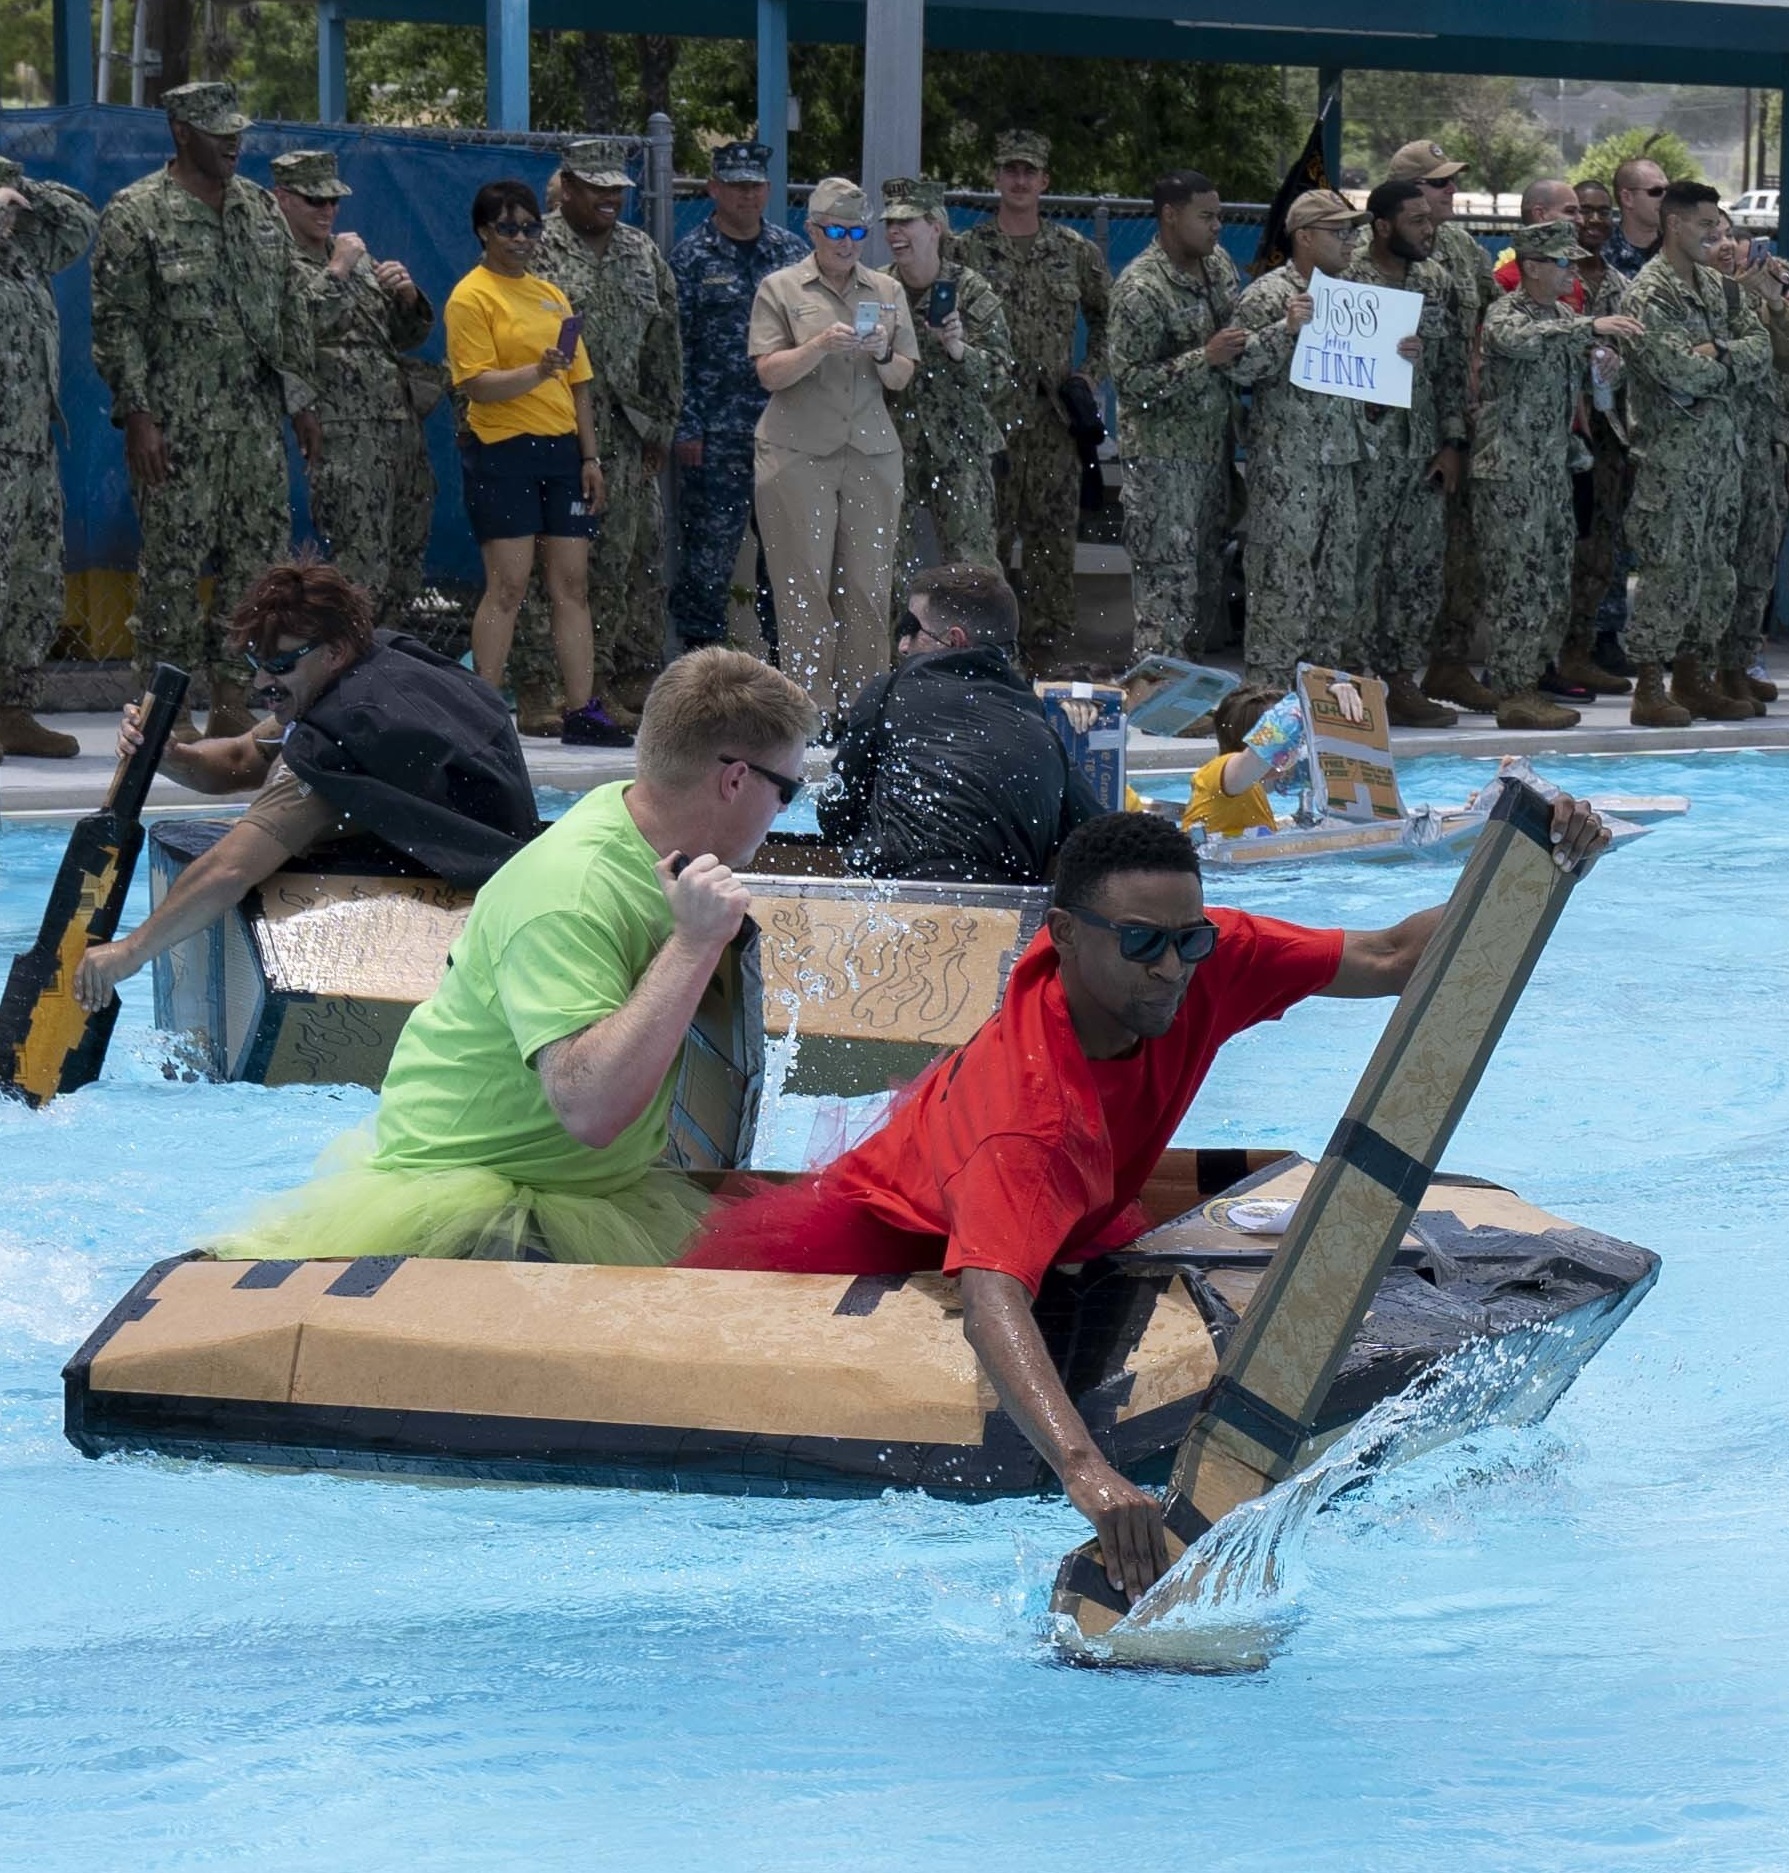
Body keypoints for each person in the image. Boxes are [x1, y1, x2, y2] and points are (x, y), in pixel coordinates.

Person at [682, 799, 1612, 1596]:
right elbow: (990, 1297)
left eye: (1186, 938)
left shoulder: (1203, 962)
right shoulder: (1028, 1114)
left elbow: (1392, 951)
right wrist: (1089, 1476)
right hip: (896, 1236)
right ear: (1065, 932)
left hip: (1077, 1210)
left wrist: (1535, 867)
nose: (1171, 968)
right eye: (1140, 944)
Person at [209, 647, 818, 1267]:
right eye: (787, 791)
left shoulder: (643, 835)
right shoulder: (570, 893)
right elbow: (589, 1108)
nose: (781, 813)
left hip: (578, 1186)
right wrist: (692, 945)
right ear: (736, 780)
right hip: (472, 1206)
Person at [71, 560, 540, 1013]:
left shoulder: (336, 744)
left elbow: (228, 872)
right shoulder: (382, 655)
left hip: (487, 910)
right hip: (523, 864)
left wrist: (127, 953)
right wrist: (166, 754)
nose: (260, 682)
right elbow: (239, 759)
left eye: (278, 665)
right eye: (256, 662)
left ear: (333, 652)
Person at [90, 80, 317, 741]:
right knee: (172, 566)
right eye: (216, 129)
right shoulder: (138, 213)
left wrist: (300, 400)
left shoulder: (258, 210)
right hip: (176, 426)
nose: (231, 141)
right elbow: (118, 322)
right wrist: (138, 414)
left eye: (236, 130)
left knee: (258, 567)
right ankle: (167, 708)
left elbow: (287, 309)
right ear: (180, 130)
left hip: (253, 425)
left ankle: (232, 696)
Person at [514, 139, 683, 732]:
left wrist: (662, 422)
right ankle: (541, 686)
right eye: (596, 187)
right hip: (553, 426)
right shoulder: (533, 249)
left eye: (618, 188)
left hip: (628, 429)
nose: (610, 198)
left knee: (629, 560)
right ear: (568, 185)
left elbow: (664, 343)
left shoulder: (641, 251)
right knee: (552, 562)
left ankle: (606, 683)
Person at [443, 178, 612, 745]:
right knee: (508, 586)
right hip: (502, 451)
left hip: (560, 450)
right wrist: (536, 373)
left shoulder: (551, 295)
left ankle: (582, 709)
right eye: (508, 228)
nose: (521, 238)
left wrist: (590, 457)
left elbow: (580, 383)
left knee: (572, 585)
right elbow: (477, 385)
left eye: (531, 227)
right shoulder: (472, 295)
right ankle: (485, 711)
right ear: (484, 232)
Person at [749, 177, 919, 724]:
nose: (847, 243)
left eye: (856, 232)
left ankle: (862, 705)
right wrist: (819, 345)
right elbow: (769, 373)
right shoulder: (781, 288)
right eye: (835, 231)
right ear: (812, 230)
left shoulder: (886, 291)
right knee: (804, 585)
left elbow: (901, 377)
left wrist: (883, 350)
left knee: (869, 586)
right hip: (797, 452)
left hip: (870, 451)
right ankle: (809, 707)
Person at [818, 563, 1101, 883]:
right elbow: (1097, 837)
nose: (903, 645)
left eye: (911, 628)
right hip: (1006, 910)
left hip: (898, 902)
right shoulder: (1038, 723)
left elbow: (835, 816)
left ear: (954, 639)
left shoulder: (888, 692)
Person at [1471, 221, 1645, 730]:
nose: (1571, 272)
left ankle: (1529, 679)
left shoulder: (1566, 316)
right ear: (1531, 268)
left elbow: (1584, 380)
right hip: (1510, 473)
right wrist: (1589, 329)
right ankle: (1510, 689)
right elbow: (1520, 342)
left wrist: (1606, 366)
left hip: (1551, 471)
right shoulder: (1507, 314)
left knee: (1548, 584)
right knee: (1516, 585)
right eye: (1561, 263)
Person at [958, 131, 1112, 675]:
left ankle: (1049, 652)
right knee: (986, 538)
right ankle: (988, 650)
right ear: (996, 178)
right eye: (1010, 170)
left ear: (1044, 181)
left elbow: (1107, 319)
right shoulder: (968, 250)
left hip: (1052, 420)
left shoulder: (1073, 251)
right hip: (991, 418)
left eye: (1029, 171)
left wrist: (1091, 375)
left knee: (1052, 542)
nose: (1019, 180)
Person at [1620, 180, 1773, 726]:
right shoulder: (1647, 294)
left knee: (1715, 574)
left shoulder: (1719, 288)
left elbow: (1760, 348)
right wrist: (1721, 365)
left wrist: (1721, 353)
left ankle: (1694, 677)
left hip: (1721, 460)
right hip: (1673, 461)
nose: (1715, 233)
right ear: (1674, 224)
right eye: (1705, 224)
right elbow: (1676, 370)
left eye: (1718, 224)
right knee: (1669, 572)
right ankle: (1648, 688)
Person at [271, 150, 437, 634]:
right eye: (314, 200)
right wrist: (339, 271)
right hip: (343, 434)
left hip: (397, 426)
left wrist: (406, 295)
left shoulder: (354, 257)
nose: (327, 211)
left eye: (333, 201)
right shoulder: (277, 259)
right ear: (282, 198)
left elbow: (400, 337)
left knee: (405, 560)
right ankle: (344, 671)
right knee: (359, 562)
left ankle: (382, 663)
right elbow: (292, 331)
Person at [667, 141, 808, 657]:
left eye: (755, 186)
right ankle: (696, 666)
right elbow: (675, 347)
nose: (747, 195)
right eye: (736, 186)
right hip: (717, 436)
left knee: (785, 554)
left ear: (768, 191)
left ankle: (784, 665)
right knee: (708, 556)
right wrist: (687, 424)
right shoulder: (691, 257)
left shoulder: (791, 254)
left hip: (786, 430)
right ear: (714, 189)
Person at [1382, 140, 1503, 719]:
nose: (1450, 192)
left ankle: (1449, 663)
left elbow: (1477, 330)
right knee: (1388, 562)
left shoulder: (1462, 250)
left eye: (1452, 183)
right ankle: (1378, 676)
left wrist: (1456, 431)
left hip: (1450, 424)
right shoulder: (1368, 253)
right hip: (1386, 437)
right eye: (1438, 183)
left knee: (1455, 556)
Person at [1229, 189, 1369, 686]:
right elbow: (1239, 368)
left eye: (1354, 231)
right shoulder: (1268, 295)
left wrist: (1399, 354)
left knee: (1335, 588)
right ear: (1305, 237)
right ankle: (1266, 695)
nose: (1351, 241)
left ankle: (1322, 695)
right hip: (1289, 466)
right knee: (1281, 583)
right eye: (1341, 232)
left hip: (1340, 462)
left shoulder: (1354, 297)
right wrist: (1285, 330)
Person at [1108, 170, 1245, 661]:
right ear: (1170, 215)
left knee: (1207, 576)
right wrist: (1202, 358)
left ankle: (1188, 688)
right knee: (1167, 581)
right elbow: (1130, 382)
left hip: (1212, 455)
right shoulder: (1141, 289)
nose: (1217, 227)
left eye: (1220, 217)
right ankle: (1158, 683)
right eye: (1206, 216)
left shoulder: (1219, 266)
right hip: (1162, 465)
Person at [1345, 179, 1468, 727]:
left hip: (1419, 454)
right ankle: (1355, 686)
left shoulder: (1435, 281)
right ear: (1382, 227)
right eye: (1417, 220)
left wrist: (1451, 443)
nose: (1429, 229)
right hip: (1362, 455)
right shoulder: (1346, 278)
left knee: (1416, 573)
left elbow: (1450, 369)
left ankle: (1402, 683)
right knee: (1359, 570)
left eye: (1430, 218)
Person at [0, 154, 97, 761]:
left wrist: (17, 185)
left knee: (30, 585)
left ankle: (12, 710)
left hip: (30, 451)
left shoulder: (24, 257)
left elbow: (81, 220)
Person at [880, 177, 1014, 600]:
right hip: (893, 444)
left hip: (960, 451)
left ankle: (983, 662)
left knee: (973, 571)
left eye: (908, 222)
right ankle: (895, 662)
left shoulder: (970, 290)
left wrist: (958, 349)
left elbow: (999, 376)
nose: (895, 233)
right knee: (888, 568)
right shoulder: (879, 289)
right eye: (890, 223)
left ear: (935, 226)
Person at [1710, 211, 1787, 713]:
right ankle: (1709, 667)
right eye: (1715, 237)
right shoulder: (1699, 297)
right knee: (1718, 563)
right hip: (1717, 448)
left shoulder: (1769, 296)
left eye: (1734, 241)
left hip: (1767, 444)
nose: (1728, 249)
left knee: (1758, 559)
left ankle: (1741, 660)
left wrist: (1776, 304)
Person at [1563, 179, 1637, 697]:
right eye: (1583, 211)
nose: (1593, 221)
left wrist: (1618, 363)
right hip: (1553, 437)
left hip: (1607, 437)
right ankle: (1533, 659)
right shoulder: (1538, 278)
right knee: (1552, 551)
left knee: (1600, 549)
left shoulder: (1621, 283)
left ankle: (1580, 649)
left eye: (1601, 213)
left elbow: (1640, 349)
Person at [1604, 158, 1669, 279]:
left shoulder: (1678, 248)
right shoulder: (1601, 255)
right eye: (1656, 191)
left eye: (1668, 191)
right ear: (1627, 198)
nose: (1665, 198)